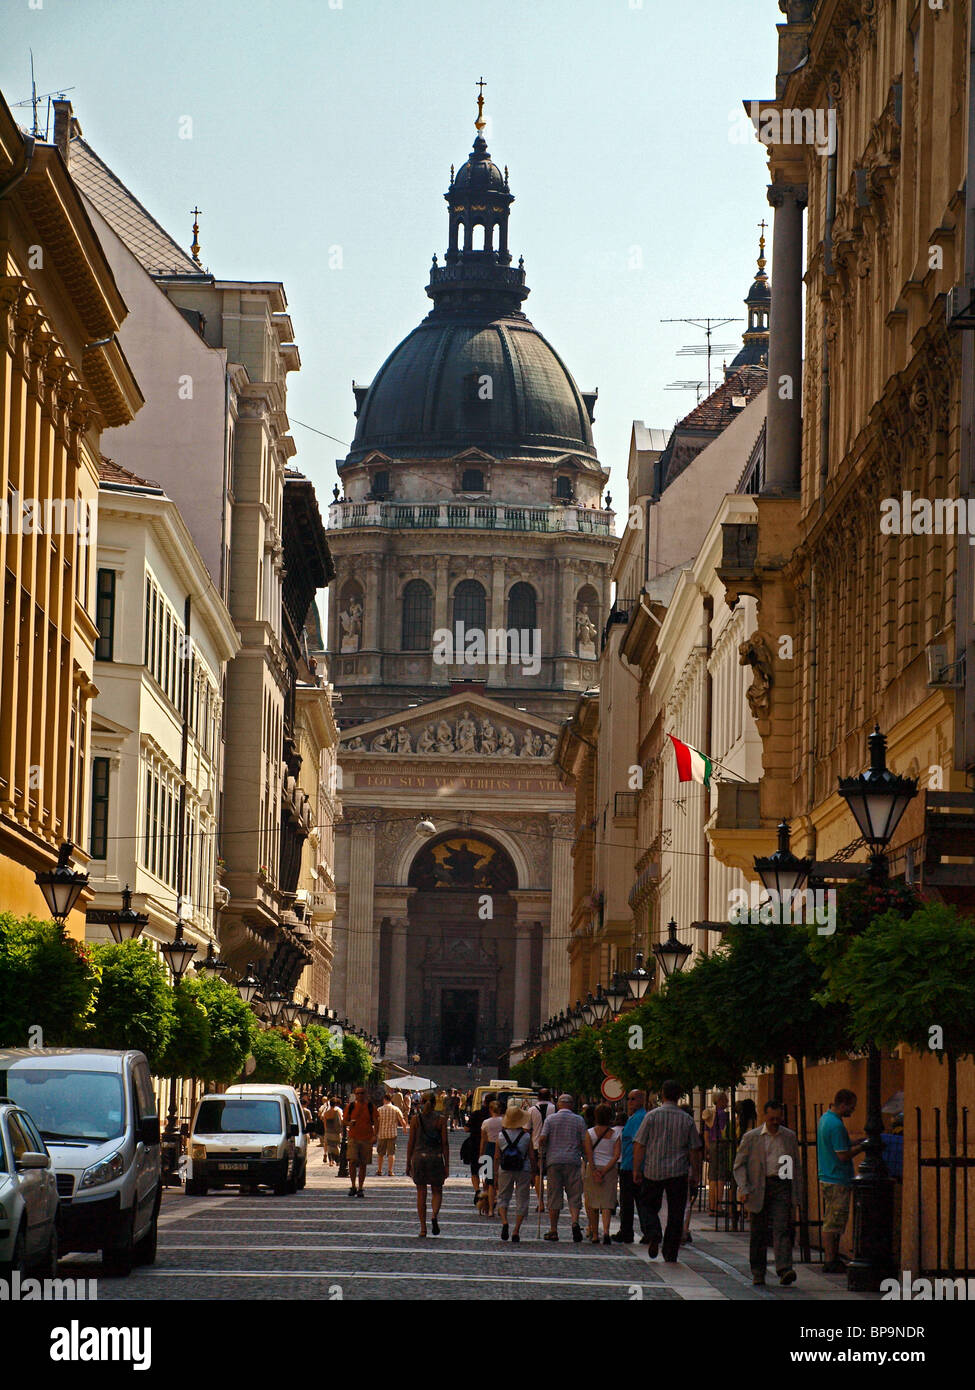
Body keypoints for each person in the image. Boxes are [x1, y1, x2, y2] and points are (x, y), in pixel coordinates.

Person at [632, 1079, 703, 1262]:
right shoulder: (686, 1119)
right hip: (678, 1172)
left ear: (662, 1094)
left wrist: (636, 1169)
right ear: (679, 1096)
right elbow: (695, 1149)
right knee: (676, 1212)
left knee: (647, 1204)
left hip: (653, 1170)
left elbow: (639, 1144)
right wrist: (696, 1173)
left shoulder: (652, 1116)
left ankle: (654, 1232)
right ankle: (670, 1252)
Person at [733, 1098, 802, 1286]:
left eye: (778, 1119)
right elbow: (739, 1165)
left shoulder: (788, 1137)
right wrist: (744, 1187)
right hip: (758, 1185)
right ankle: (758, 1271)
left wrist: (795, 1193)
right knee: (758, 1232)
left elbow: (794, 1165)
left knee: (782, 1227)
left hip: (781, 1184)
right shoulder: (752, 1137)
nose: (775, 1122)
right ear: (765, 1116)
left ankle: (784, 1268)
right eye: (772, 1119)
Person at [817, 1088, 867, 1272]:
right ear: (843, 1104)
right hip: (837, 1177)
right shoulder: (836, 1125)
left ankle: (833, 1257)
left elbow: (839, 1145)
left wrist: (856, 1141)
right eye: (851, 1107)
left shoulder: (825, 1119)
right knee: (834, 1221)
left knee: (832, 1219)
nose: (852, 1111)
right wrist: (862, 1147)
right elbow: (843, 1155)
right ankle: (830, 1259)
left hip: (828, 1176)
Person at [540, 1094, 587, 1243]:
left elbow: (542, 1138)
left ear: (559, 1105)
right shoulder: (579, 1120)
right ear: (572, 1105)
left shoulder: (550, 1119)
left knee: (554, 1195)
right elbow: (584, 1141)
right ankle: (574, 1222)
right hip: (573, 1160)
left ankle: (554, 1230)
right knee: (574, 1194)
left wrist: (542, 1151)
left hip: (554, 1161)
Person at [408, 1092, 449, 1237]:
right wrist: (447, 1164)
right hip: (436, 1158)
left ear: (421, 1102)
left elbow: (411, 1143)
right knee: (437, 1191)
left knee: (421, 1193)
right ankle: (434, 1216)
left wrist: (408, 1163)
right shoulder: (441, 1120)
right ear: (435, 1102)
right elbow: (445, 1143)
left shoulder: (415, 1119)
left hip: (420, 1158)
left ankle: (423, 1228)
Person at [613, 1089, 649, 1244]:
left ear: (641, 1100)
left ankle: (630, 1232)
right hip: (631, 1165)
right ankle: (638, 1231)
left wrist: (636, 1168)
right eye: (628, 1099)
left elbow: (638, 1144)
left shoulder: (639, 1118)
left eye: (632, 1099)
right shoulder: (635, 1117)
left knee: (631, 1202)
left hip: (631, 1167)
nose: (629, 1102)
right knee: (636, 1202)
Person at [583, 1103, 622, 1244]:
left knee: (592, 1203)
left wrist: (594, 1171)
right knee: (607, 1203)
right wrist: (605, 1170)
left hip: (593, 1169)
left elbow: (588, 1153)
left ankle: (594, 1235)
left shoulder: (590, 1133)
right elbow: (617, 1155)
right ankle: (606, 1231)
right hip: (609, 1170)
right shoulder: (616, 1134)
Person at [495, 1104, 534, 1243]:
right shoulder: (526, 1136)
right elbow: (531, 1155)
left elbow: (497, 1156)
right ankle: (516, 1230)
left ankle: (505, 1222)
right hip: (523, 1168)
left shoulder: (501, 1135)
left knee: (503, 1197)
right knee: (522, 1199)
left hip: (505, 1169)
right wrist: (534, 1174)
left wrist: (494, 1174)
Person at [343, 1087, 377, 1197]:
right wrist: (349, 1124)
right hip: (353, 1137)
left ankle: (361, 1187)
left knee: (363, 1164)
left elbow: (376, 1121)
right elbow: (344, 1121)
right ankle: (353, 1185)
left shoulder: (370, 1107)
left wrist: (375, 1135)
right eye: (358, 1093)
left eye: (362, 1093)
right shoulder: (351, 1106)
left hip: (366, 1138)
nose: (360, 1095)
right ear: (355, 1095)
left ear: (365, 1094)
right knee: (352, 1161)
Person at [528, 1088, 556, 1213]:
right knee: (552, 1175)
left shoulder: (532, 1110)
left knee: (538, 1174)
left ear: (538, 1097)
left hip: (535, 1146)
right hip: (553, 1147)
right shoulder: (555, 1109)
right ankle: (551, 1201)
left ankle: (540, 1202)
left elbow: (527, 1130)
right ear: (550, 1097)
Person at [705, 1091, 732, 1214]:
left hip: (712, 1145)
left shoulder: (709, 1114)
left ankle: (711, 1205)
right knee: (721, 1175)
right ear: (720, 1101)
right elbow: (723, 1131)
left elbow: (706, 1134)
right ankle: (719, 1205)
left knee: (712, 1176)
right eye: (725, 1100)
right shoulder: (722, 1115)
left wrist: (708, 1148)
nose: (727, 1102)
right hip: (721, 1145)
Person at [466, 1090, 494, 1205]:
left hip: (474, 1144)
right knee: (488, 1172)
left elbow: (466, 1128)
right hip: (489, 1146)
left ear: (484, 1102)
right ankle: (486, 1192)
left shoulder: (476, 1113)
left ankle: (477, 1190)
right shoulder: (493, 1116)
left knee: (474, 1170)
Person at [479, 1100, 505, 1217]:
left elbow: (483, 1140)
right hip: (502, 1148)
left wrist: (481, 1154)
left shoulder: (486, 1122)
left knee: (490, 1182)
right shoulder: (505, 1121)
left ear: (490, 1109)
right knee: (501, 1182)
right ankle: (501, 1208)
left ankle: (490, 1210)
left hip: (489, 1149)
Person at [375, 1093, 409, 1176]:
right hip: (392, 1134)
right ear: (391, 1100)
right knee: (391, 1153)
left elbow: (376, 1122)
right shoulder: (396, 1109)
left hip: (382, 1133)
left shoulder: (379, 1109)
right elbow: (402, 1120)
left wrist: (375, 1132)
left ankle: (379, 1170)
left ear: (384, 1099)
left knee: (380, 1153)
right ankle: (390, 1171)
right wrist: (404, 1128)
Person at [320, 1095, 343, 1167]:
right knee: (336, 1146)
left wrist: (326, 1131)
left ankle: (330, 1161)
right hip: (336, 1132)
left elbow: (325, 1123)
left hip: (328, 1131)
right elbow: (341, 1120)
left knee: (329, 1147)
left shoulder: (326, 1113)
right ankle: (338, 1161)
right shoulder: (337, 1111)